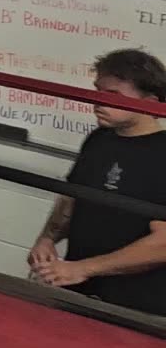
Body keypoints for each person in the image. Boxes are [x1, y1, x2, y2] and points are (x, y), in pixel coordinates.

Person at [29, 48, 166, 316]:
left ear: (150, 102)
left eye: (113, 95)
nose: (98, 102)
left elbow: (163, 243)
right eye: (98, 91)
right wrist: (47, 239)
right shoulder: (98, 139)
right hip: (78, 291)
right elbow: (72, 197)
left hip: (136, 305)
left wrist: (83, 268)